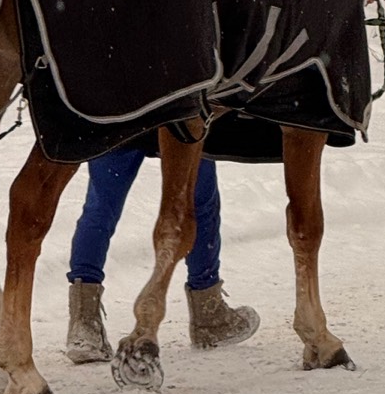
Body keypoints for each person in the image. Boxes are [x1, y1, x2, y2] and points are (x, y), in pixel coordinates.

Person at [65, 144, 259, 363]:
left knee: (102, 203)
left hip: (122, 115)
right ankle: (208, 310)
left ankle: (84, 323)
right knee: (196, 194)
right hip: (175, 116)